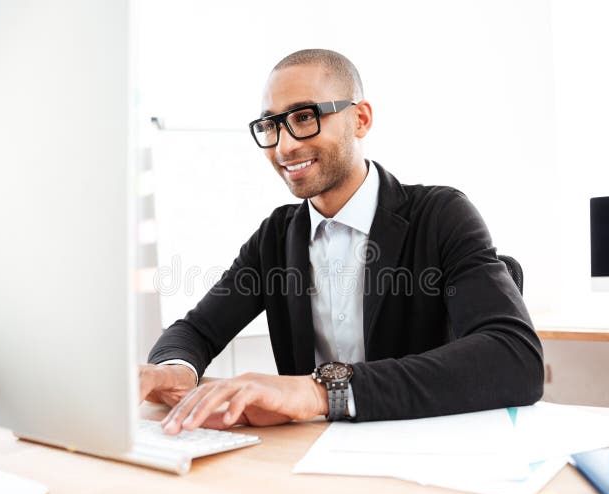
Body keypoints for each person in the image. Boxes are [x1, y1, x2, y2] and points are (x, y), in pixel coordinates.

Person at [138, 49, 543, 434]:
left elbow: (514, 358)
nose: (285, 146)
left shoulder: (441, 215)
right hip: (308, 451)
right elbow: (197, 330)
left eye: (304, 117)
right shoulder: (276, 236)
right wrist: (174, 369)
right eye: (271, 126)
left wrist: (321, 391)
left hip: (422, 446)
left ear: (360, 119)